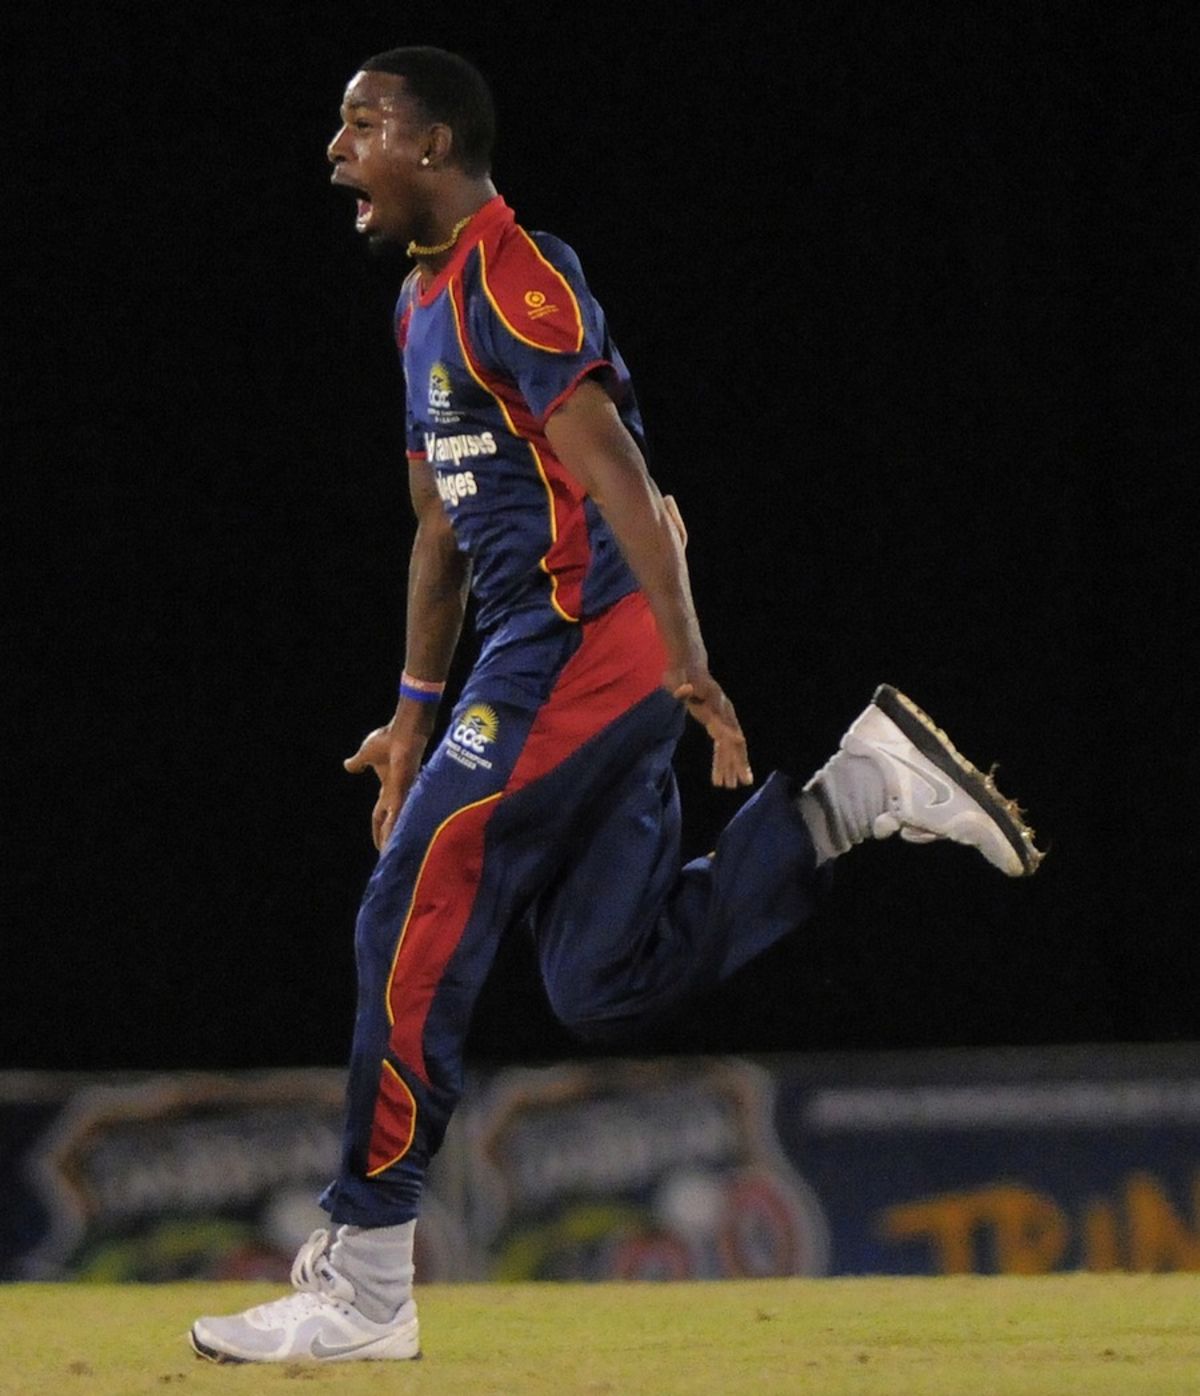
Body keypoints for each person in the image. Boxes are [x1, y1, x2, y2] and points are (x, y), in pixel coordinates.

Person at [190, 46, 1041, 1364]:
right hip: (541, 654)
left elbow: (625, 481)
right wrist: (413, 713)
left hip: (592, 644)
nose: (336, 150)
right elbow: (437, 525)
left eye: (361, 125)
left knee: (415, 897)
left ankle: (362, 1280)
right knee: (606, 981)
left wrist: (688, 661)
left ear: (432, 143)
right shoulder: (422, 301)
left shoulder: (512, 280)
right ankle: (852, 798)